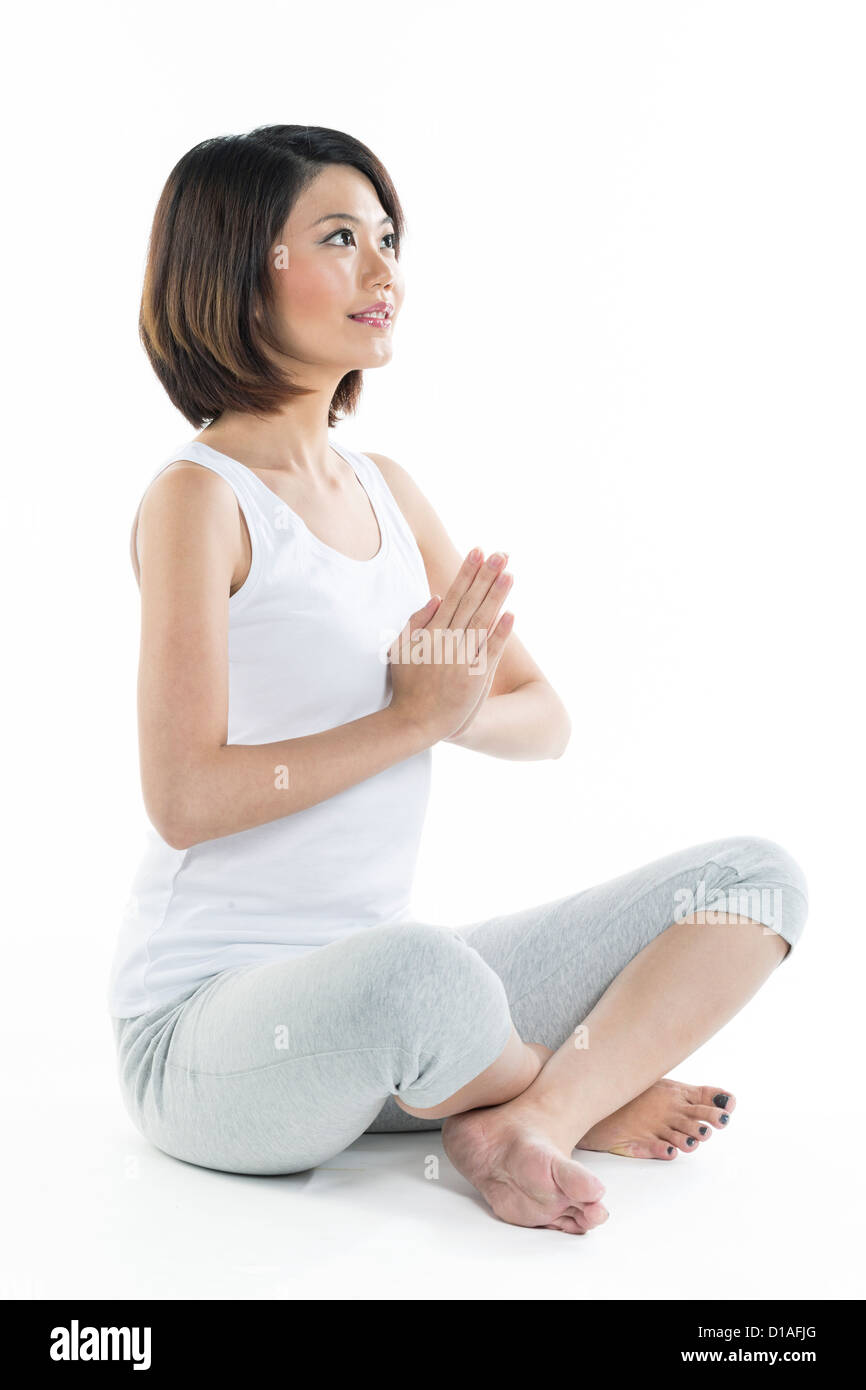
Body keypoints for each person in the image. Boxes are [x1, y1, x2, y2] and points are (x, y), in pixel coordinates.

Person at [109, 125, 809, 1235]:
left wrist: (450, 709)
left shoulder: (385, 490)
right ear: (242, 269)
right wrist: (407, 720)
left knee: (753, 880)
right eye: (339, 237)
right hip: (208, 1036)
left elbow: (545, 721)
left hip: (386, 1002)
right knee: (418, 978)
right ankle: (575, 1088)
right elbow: (184, 799)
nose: (384, 270)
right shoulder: (199, 499)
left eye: (388, 238)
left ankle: (531, 1114)